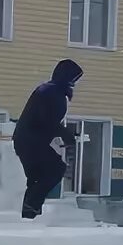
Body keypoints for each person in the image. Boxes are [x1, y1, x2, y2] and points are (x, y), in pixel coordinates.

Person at [13, 59, 84, 219]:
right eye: (74, 79)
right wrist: (66, 136)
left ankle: (29, 215)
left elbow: (45, 121)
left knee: (36, 177)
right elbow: (47, 121)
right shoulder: (53, 93)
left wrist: (62, 134)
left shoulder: (48, 90)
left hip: (25, 140)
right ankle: (31, 208)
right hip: (31, 141)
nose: (74, 83)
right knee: (55, 169)